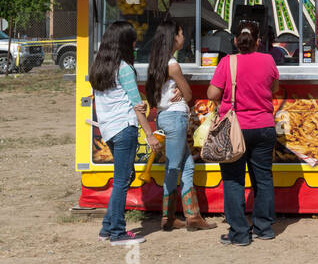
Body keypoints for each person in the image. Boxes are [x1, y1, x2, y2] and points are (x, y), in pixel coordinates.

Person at [207, 19, 280, 245]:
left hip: (234, 130)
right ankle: (264, 228)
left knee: (233, 180)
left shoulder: (227, 63)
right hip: (264, 127)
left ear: (236, 41)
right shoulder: (268, 60)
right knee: (263, 178)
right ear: (258, 41)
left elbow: (212, 94)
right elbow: (274, 88)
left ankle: (239, 233)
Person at [90, 20, 159, 246]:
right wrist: (150, 134)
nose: (136, 42)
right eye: (133, 39)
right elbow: (137, 106)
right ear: (125, 43)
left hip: (109, 130)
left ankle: (107, 228)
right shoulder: (125, 69)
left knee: (124, 177)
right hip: (124, 129)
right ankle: (118, 232)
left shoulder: (99, 67)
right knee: (122, 180)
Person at [145, 21, 214, 232]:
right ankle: (168, 217)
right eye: (182, 33)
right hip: (176, 118)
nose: (184, 36)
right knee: (173, 167)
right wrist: (184, 91)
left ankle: (192, 216)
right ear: (174, 37)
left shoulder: (157, 61)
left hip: (166, 116)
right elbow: (190, 96)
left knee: (186, 166)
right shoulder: (173, 65)